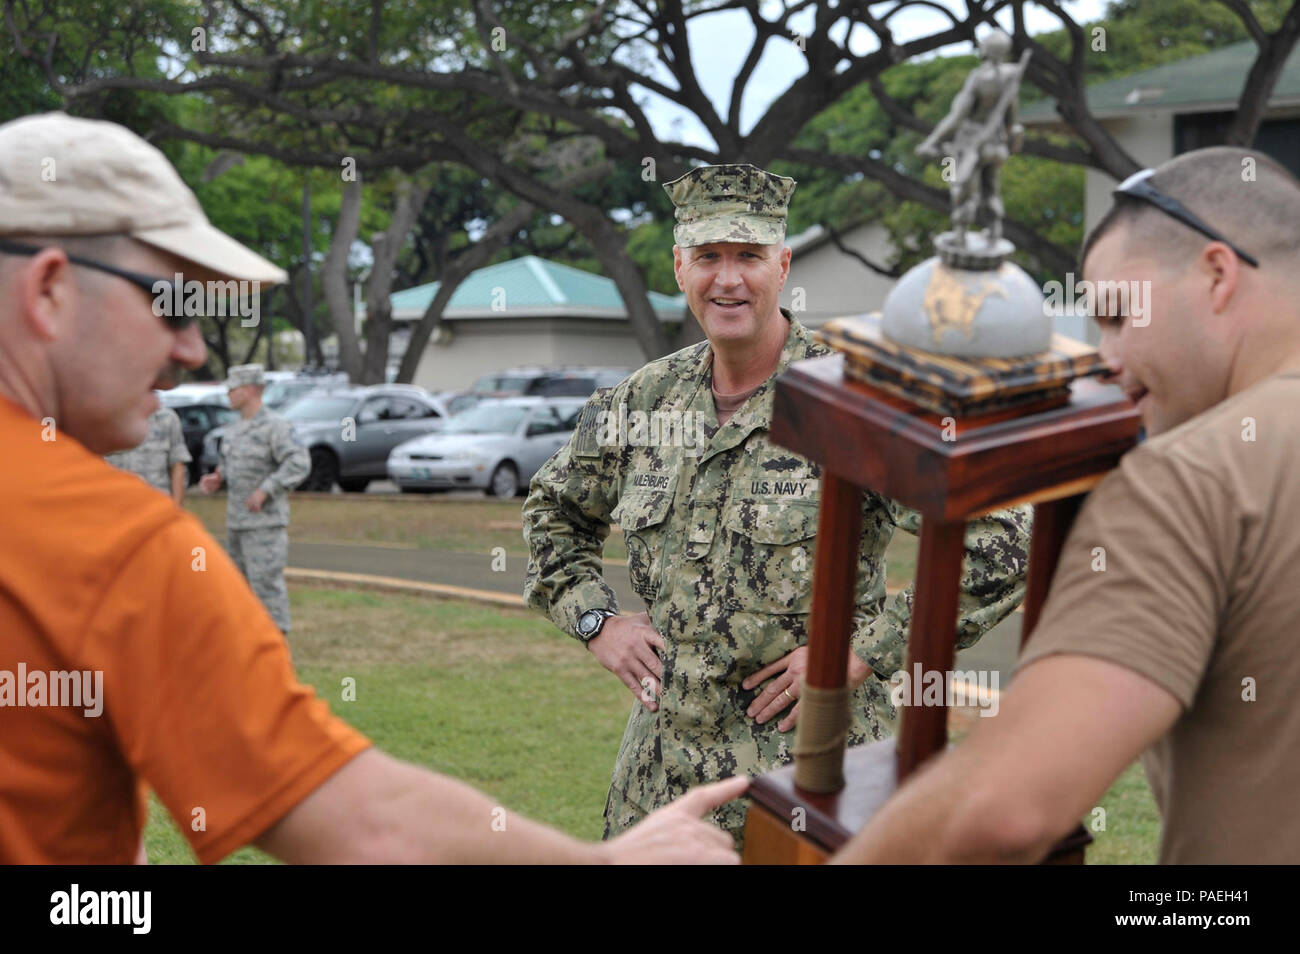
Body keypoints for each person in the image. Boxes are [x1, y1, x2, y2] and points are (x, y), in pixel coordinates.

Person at [0, 111, 744, 864]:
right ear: (51, 291)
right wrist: (602, 863)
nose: (192, 348)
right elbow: (356, 820)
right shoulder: (110, 543)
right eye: (171, 301)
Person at [522, 162, 1031, 844]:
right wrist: (596, 623)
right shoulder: (643, 401)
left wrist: (861, 653)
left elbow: (1004, 537)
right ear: (679, 268)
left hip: (815, 776)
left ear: (784, 264)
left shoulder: (855, 399)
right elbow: (554, 511)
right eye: (708, 257)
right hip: (663, 785)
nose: (727, 280)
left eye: (749, 258)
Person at [832, 146, 1300, 865]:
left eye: (1117, 314)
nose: (1105, 358)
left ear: (1216, 273)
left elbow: (1004, 810)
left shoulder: (1189, 477)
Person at [198, 364, 308, 633]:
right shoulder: (233, 430)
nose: (228, 394)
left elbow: (299, 462)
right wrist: (219, 477)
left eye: (232, 389)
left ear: (248, 391)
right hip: (237, 523)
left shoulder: (276, 426)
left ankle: (276, 652)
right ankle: (249, 654)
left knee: (266, 589)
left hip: (264, 525)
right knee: (239, 591)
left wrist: (266, 490)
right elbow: (234, 464)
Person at [105, 402, 191, 506]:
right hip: (115, 507)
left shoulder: (167, 419)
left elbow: (178, 466)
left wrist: (176, 509)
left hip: (157, 506)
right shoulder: (103, 418)